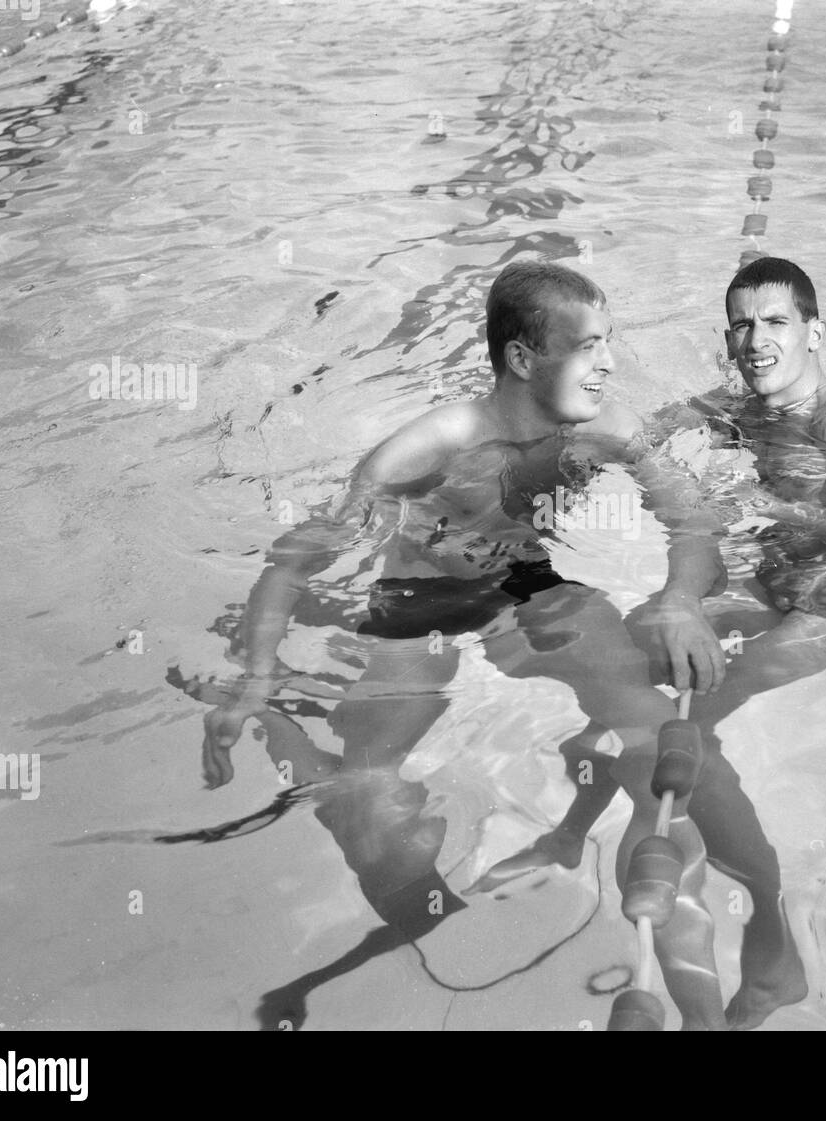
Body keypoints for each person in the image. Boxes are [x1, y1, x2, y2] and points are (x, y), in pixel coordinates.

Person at [197, 260, 739, 1030]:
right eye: (589, 347)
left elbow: (694, 519)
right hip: (421, 601)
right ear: (523, 359)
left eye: (608, 342)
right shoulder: (423, 451)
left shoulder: (606, 427)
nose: (611, 362)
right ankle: (309, 756)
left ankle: (696, 998)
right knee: (372, 800)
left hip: (526, 584)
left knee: (655, 731)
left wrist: (680, 597)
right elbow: (291, 560)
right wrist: (255, 675)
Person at [477, 256, 826, 1029]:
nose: (757, 340)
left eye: (776, 322)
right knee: (631, 682)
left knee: (691, 726)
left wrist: (771, 510)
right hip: (776, 578)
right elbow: (637, 438)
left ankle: (773, 943)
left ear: (815, 331)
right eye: (744, 324)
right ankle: (569, 834)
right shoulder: (734, 405)